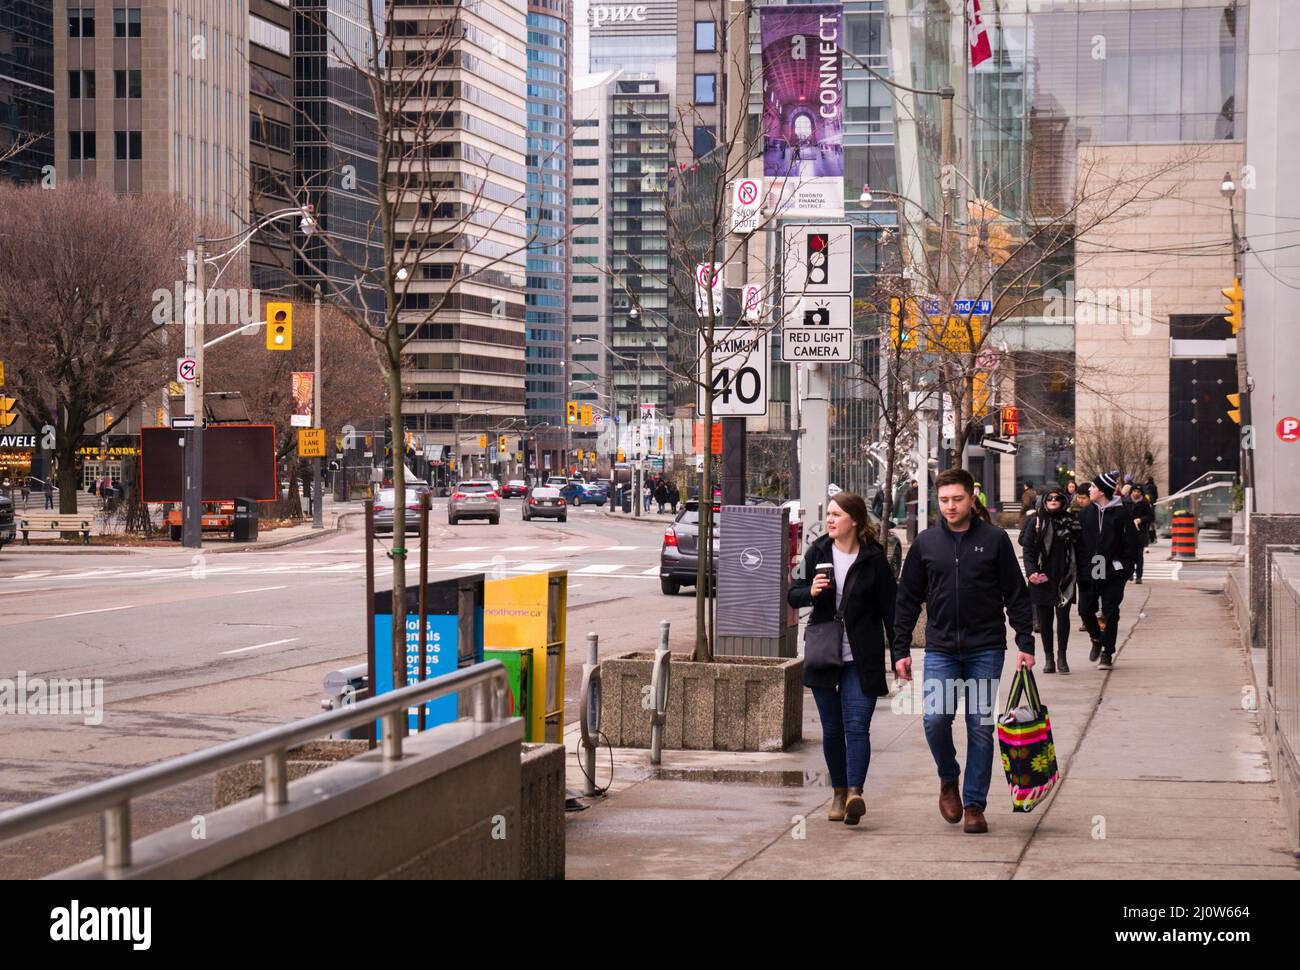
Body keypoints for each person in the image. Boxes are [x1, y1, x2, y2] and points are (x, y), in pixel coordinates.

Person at [893, 468, 1036, 835]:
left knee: (980, 726)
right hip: (941, 648)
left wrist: (1025, 641)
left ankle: (974, 804)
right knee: (935, 719)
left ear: (972, 498)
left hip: (985, 648)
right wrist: (900, 649)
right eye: (943, 500)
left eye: (957, 499)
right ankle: (948, 777)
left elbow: (1016, 594)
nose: (950, 506)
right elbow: (907, 599)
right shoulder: (926, 543)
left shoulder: (994, 540)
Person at [789, 492, 897, 826]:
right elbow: (792, 593)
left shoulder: (874, 558)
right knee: (833, 730)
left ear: (855, 520)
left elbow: (891, 611)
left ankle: (854, 793)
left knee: (857, 727)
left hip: (860, 657)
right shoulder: (818, 551)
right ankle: (837, 792)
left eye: (837, 514)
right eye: (830, 514)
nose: (831, 520)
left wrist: (900, 657)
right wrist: (812, 592)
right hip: (824, 653)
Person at [1076, 470, 1142, 670]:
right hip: (1092, 566)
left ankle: (1107, 652)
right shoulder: (1086, 513)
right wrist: (1081, 569)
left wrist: (1125, 569)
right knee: (1085, 609)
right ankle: (1096, 637)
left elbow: (1132, 544)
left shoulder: (1121, 514)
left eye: (1094, 487)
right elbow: (1079, 544)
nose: (1090, 489)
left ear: (1103, 491)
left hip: (1113, 569)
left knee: (1111, 611)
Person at [1020, 487, 1081, 674]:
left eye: (1057, 498)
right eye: (1049, 498)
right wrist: (1031, 572)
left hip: (1065, 577)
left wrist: (1088, 575)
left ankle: (1062, 656)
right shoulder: (1036, 522)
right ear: (1044, 501)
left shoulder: (1071, 522)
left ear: (1063, 501)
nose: (1053, 501)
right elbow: (1028, 550)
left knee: (1063, 618)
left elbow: (1082, 548)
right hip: (1041, 578)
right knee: (1045, 621)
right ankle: (1049, 658)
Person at [1129, 486, 1155, 584]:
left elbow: (1151, 517)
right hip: (1128, 532)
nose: (1136, 493)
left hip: (1141, 532)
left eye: (1138, 492)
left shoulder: (1145, 503)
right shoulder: (1126, 502)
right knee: (1129, 554)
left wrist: (1141, 520)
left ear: (1141, 493)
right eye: (1134, 491)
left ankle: (1139, 576)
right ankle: (1129, 573)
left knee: (1139, 555)